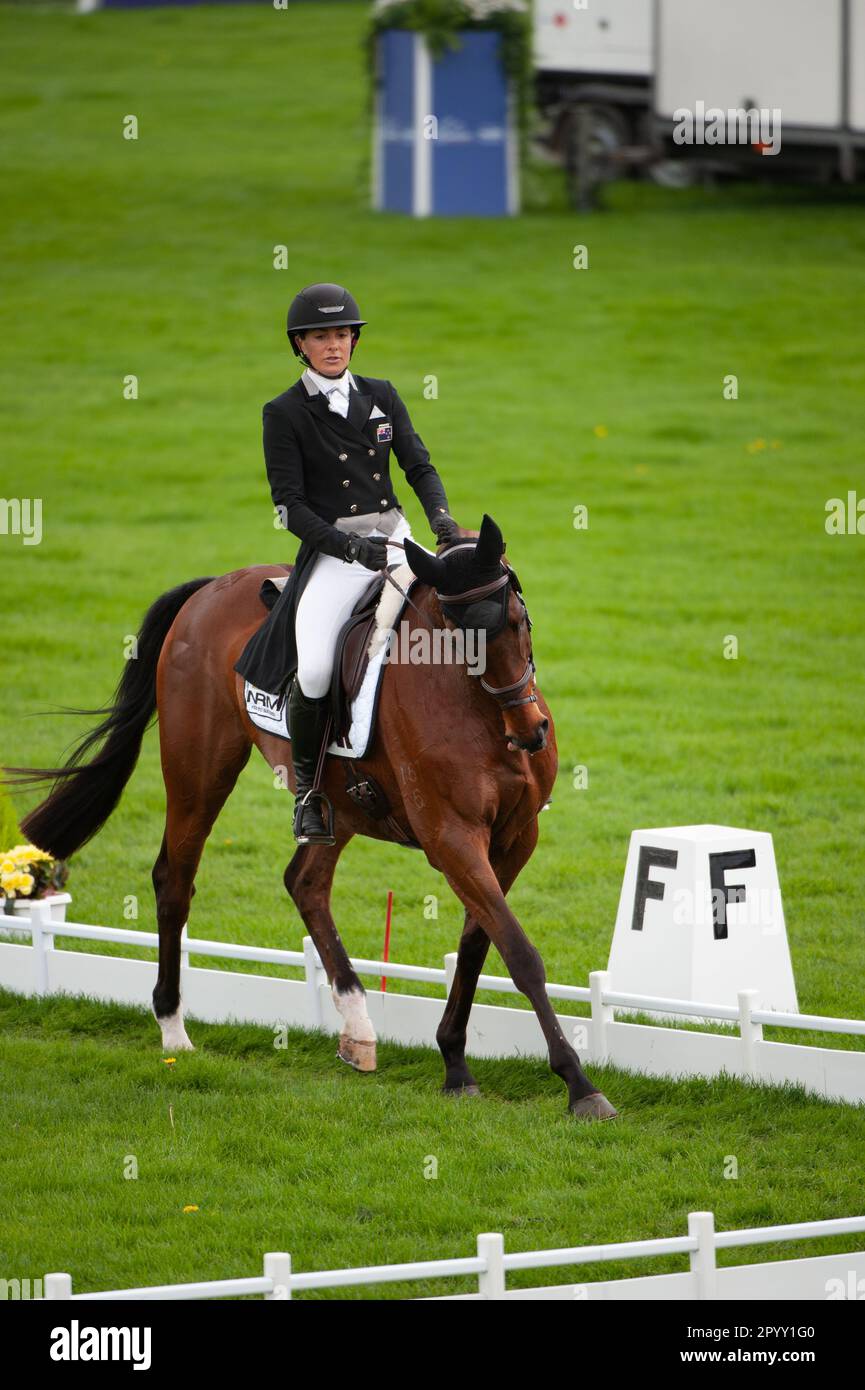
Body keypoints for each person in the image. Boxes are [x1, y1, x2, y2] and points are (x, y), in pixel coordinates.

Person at [260, 282, 459, 845]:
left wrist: (440, 519)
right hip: (334, 553)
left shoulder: (383, 396)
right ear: (300, 344)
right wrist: (348, 548)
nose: (333, 345)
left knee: (457, 628)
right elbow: (289, 506)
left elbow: (418, 465)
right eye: (320, 336)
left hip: (396, 540)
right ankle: (307, 794)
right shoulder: (284, 413)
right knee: (319, 670)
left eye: (342, 334)